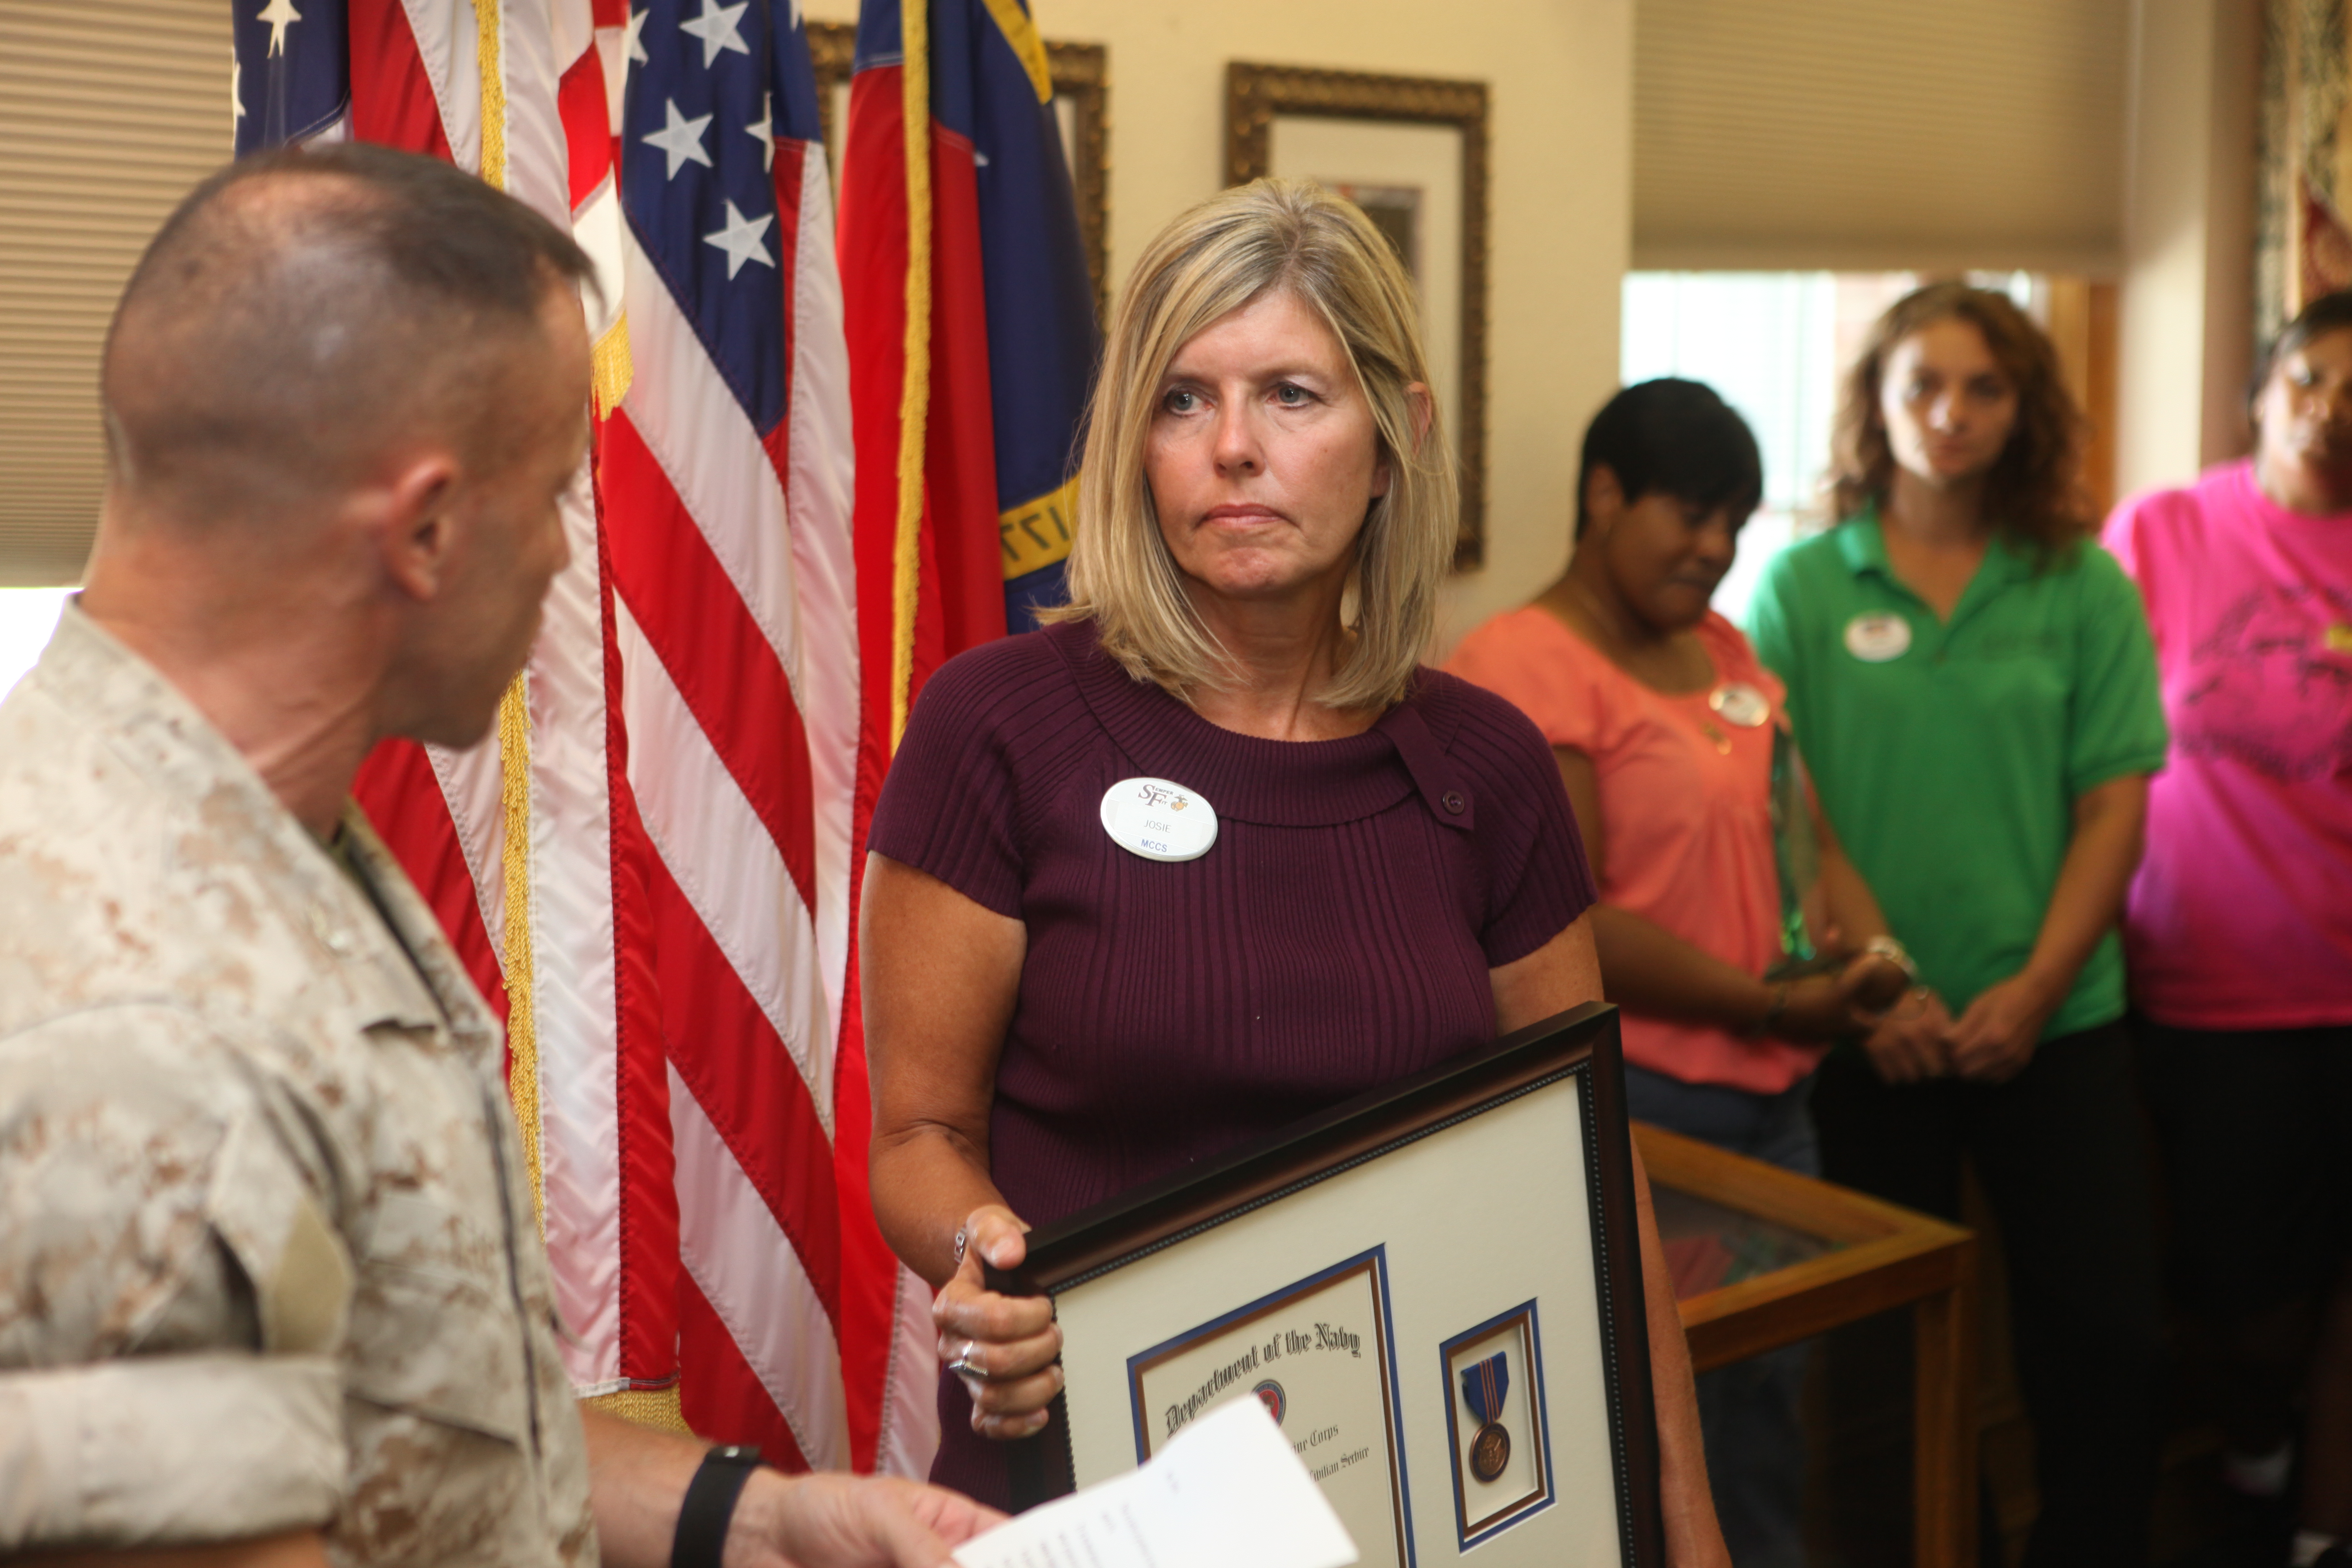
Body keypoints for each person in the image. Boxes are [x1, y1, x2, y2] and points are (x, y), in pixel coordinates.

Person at [0, 144, 997, 1568]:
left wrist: (767, 1521)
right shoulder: (138, 1014)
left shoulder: (267, 834)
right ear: (422, 531)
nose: (560, 557)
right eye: (554, 497)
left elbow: (406, 1425)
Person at [860, 178, 1730, 1565]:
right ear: (1134, 445)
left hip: (1422, 1489)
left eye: (1293, 396)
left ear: (1395, 440)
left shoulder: (1487, 762)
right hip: (1091, 1476)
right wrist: (986, 1264)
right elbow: (917, 1137)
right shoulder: (996, 726)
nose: (1236, 452)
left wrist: (1684, 1526)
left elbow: (1585, 1159)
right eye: (1185, 401)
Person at [1446, 378, 1912, 1568]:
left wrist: (1867, 961)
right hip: (1647, 1114)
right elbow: (1573, 921)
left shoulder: (1722, 647)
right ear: (1605, 496)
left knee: (1764, 1424)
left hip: (1780, 1106)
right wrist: (1772, 1002)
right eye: (1693, 515)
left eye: (1735, 524)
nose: (1715, 548)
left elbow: (1802, 830)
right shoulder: (1523, 665)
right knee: (1653, 1434)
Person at [1745, 281, 2169, 1565]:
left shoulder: (2081, 585)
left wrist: (2036, 991)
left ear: (2024, 409)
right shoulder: (1804, 589)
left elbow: (2114, 812)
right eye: (1922, 383)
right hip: (1878, 1039)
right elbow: (1792, 817)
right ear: (1875, 404)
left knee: (2109, 1348)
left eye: (1985, 387)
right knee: (1886, 1374)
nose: (1952, 413)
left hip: (2058, 1027)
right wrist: (1881, 988)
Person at [2103, 291, 2352, 1568]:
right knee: (2245, 1305)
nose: (2332, 408)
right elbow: (2084, 747)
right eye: (2310, 376)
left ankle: (2318, 1527)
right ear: (2262, 388)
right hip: (2212, 990)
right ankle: (2258, 1461)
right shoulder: (2166, 530)